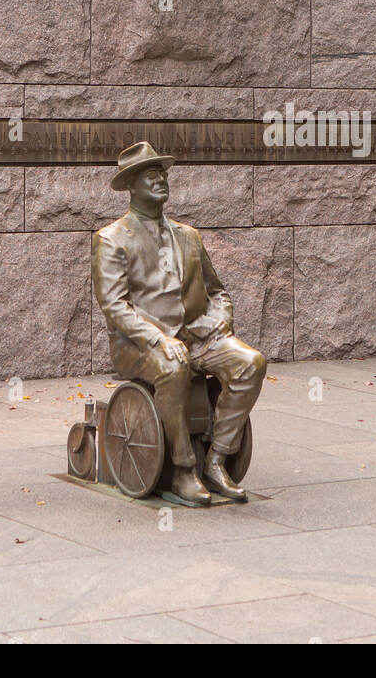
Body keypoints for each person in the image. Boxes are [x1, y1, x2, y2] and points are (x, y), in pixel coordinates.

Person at [91, 142, 266, 505]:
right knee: (173, 363)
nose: (161, 178)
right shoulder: (111, 239)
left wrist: (221, 321)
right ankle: (184, 469)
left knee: (251, 362)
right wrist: (157, 340)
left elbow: (218, 292)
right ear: (131, 185)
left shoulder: (188, 235)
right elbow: (114, 305)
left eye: (163, 172)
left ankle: (217, 460)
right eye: (150, 174)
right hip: (140, 346)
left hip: (197, 337)